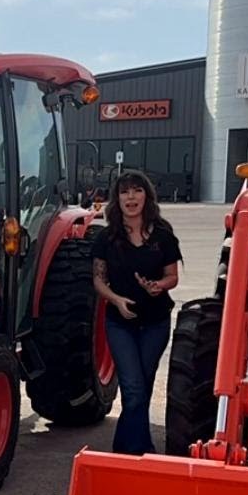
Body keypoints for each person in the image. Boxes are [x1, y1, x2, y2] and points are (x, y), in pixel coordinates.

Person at [90, 169, 181, 455]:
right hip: (120, 323)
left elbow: (172, 277)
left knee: (143, 386)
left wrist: (159, 286)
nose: (131, 197)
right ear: (117, 199)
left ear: (146, 196)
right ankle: (137, 453)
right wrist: (116, 299)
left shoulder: (163, 235)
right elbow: (97, 280)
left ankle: (129, 450)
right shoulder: (107, 237)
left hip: (155, 323)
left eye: (137, 190)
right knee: (133, 389)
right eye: (125, 191)